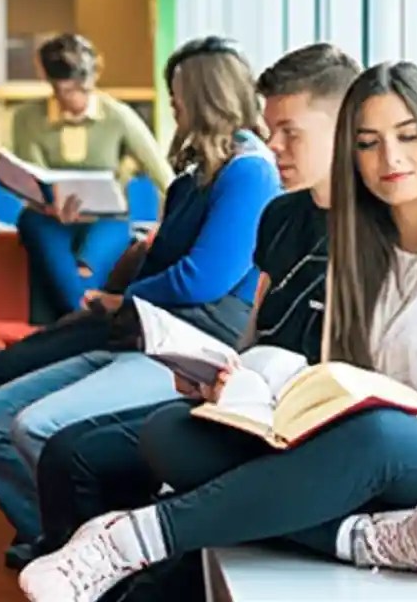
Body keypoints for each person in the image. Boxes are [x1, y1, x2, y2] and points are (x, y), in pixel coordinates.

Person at [20, 61, 417, 601]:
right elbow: (330, 376)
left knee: (376, 432)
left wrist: (375, 409)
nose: (391, 158)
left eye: (408, 136)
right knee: (175, 432)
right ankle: (354, 539)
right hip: (373, 485)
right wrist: (247, 393)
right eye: (368, 143)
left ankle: (131, 540)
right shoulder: (362, 248)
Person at [30, 42, 361, 579]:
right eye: (269, 128)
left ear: (344, 126)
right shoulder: (281, 215)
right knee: (85, 449)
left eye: (290, 132)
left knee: (94, 451)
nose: (272, 146)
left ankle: (117, 568)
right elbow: (255, 331)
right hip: (249, 401)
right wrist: (223, 376)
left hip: (303, 423)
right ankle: (97, 572)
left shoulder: (360, 230)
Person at [0, 36, 281, 567]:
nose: (171, 106)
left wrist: (121, 296)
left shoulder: (250, 171)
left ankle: (97, 555)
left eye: (176, 96)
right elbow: (166, 269)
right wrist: (126, 285)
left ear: (202, 96)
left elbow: (204, 279)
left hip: (190, 345)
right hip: (139, 333)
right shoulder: (195, 179)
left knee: (35, 427)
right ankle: (61, 537)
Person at [13, 34, 175, 321]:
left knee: (83, 270)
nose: (74, 100)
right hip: (49, 218)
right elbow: (33, 180)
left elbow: (162, 175)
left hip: (106, 217)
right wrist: (48, 204)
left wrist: (173, 223)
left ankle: (75, 318)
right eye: (65, 91)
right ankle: (88, 320)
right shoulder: (28, 118)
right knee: (33, 226)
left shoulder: (117, 116)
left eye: (81, 90)